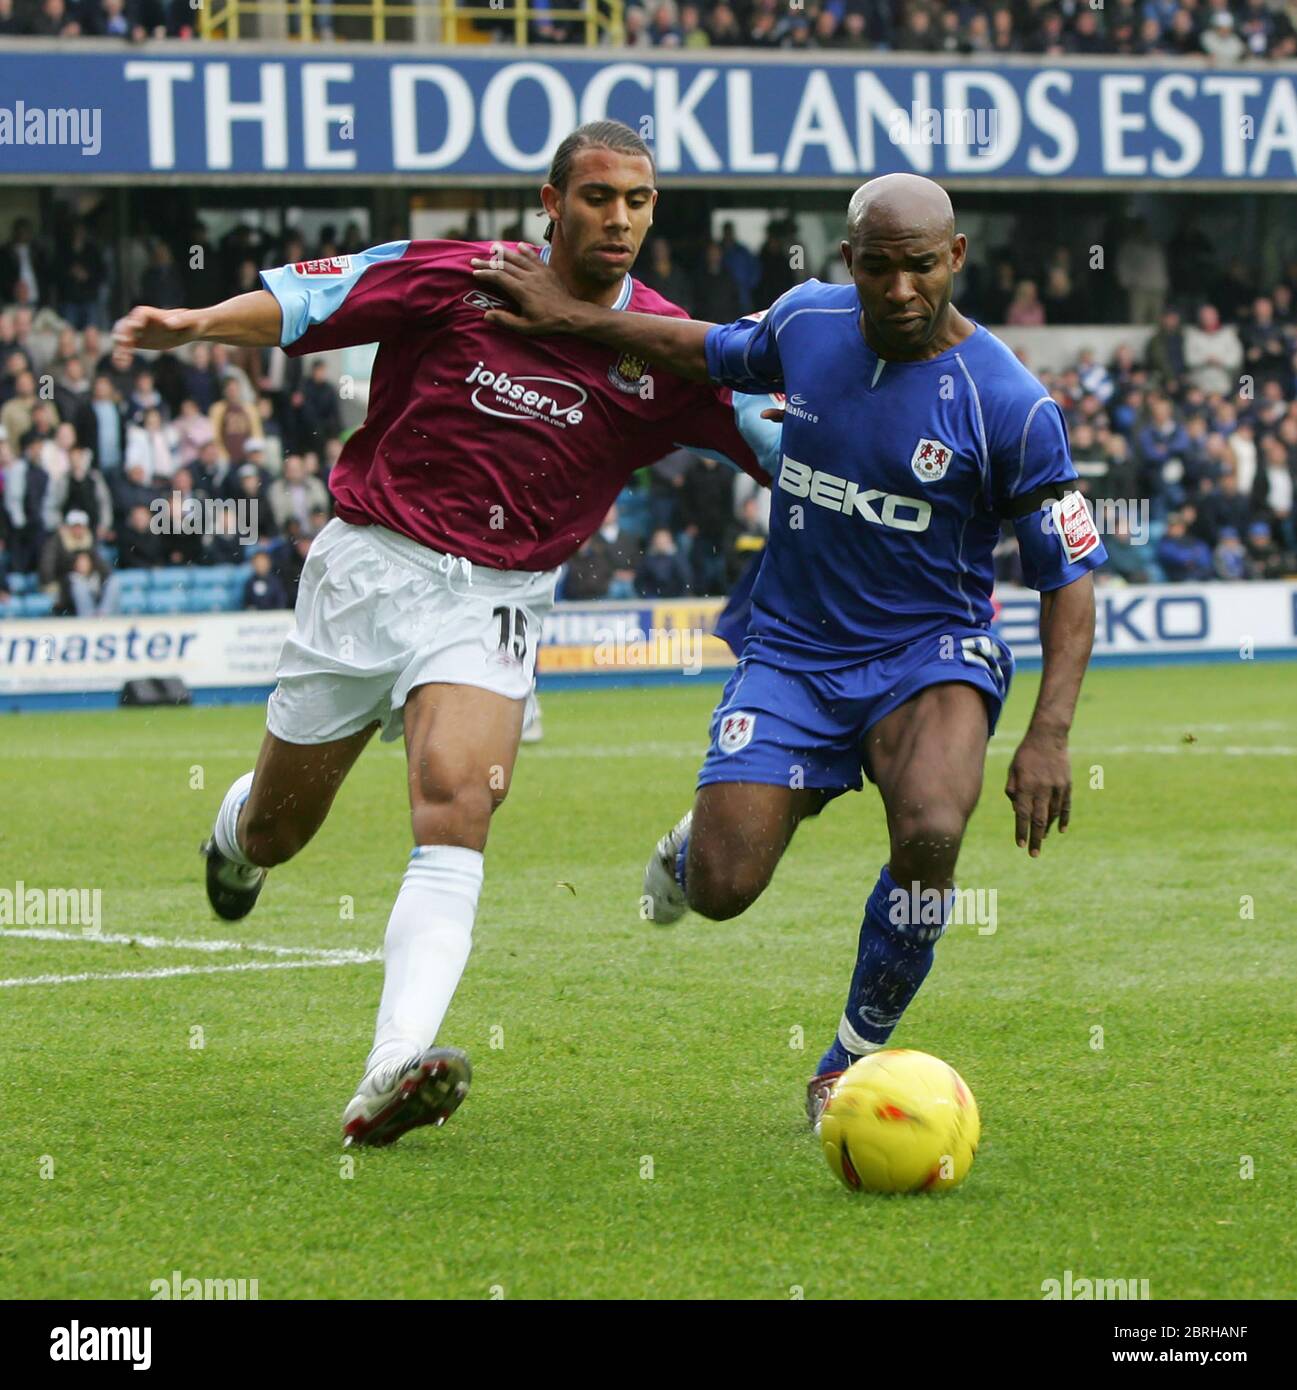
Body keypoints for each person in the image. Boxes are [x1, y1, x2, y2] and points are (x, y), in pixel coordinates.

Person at [114, 119, 779, 1149]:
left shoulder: (662, 350)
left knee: (455, 805)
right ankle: (235, 834)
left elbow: (775, 439)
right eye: (598, 196)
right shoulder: (457, 278)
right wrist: (197, 323)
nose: (619, 218)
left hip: (496, 600)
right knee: (285, 828)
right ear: (551, 203)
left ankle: (391, 1065)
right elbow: (313, 297)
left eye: (638, 200)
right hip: (369, 568)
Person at [474, 172, 1106, 1128]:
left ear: (956, 260)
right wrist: (572, 317)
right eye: (879, 269)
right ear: (848, 262)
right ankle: (705, 844)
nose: (900, 290)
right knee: (725, 888)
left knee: (932, 829)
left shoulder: (1011, 405)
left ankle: (848, 1059)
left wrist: (1049, 733)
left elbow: (1069, 577)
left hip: (929, 653)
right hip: (793, 651)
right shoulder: (805, 324)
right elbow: (702, 351)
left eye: (921, 268)